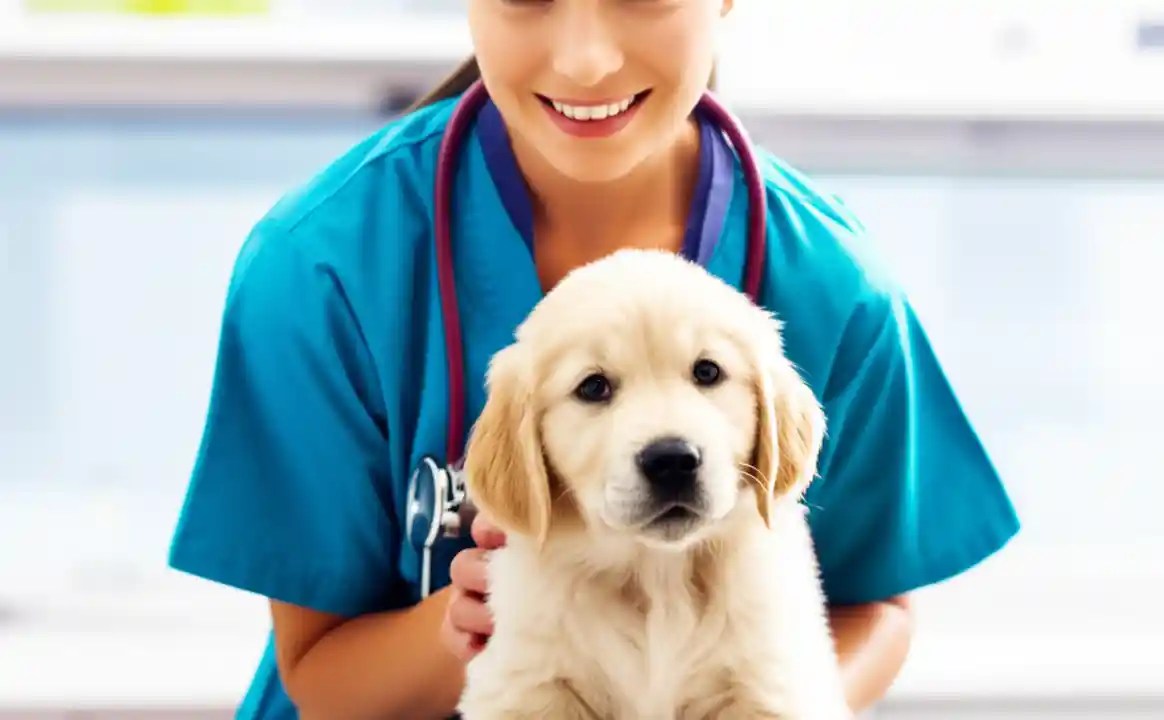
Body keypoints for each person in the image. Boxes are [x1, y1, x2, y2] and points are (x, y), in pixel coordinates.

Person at [167, 1, 1020, 718]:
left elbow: (882, 604)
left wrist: (767, 691)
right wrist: (464, 623)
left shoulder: (833, 283)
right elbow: (318, 680)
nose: (585, 59)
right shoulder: (323, 265)